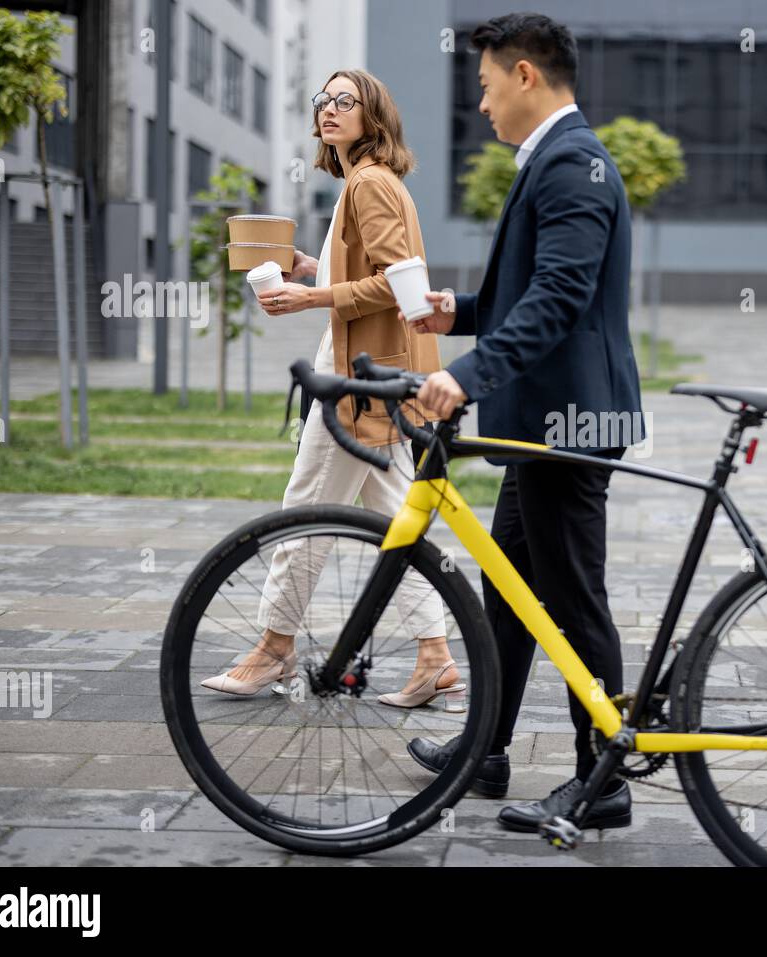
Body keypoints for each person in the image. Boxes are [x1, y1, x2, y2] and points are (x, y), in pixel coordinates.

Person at [403, 13, 644, 832]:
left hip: (566, 424)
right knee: (507, 591)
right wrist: (460, 312)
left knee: (574, 602)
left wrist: (464, 375)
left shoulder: (572, 164)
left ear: (526, 77)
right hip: (544, 422)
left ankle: (603, 779)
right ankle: (487, 749)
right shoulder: (555, 160)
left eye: (486, 84)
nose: (482, 104)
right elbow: (534, 291)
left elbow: (562, 296)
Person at [200, 69, 464, 710]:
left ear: (374, 115)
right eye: (324, 99)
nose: (330, 109)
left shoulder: (370, 182)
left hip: (359, 377)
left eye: (347, 100)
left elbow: (402, 283)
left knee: (304, 512)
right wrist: (312, 270)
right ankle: (435, 656)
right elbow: (374, 275)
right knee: (396, 519)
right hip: (378, 371)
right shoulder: (365, 181)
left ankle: (273, 649)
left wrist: (310, 296)